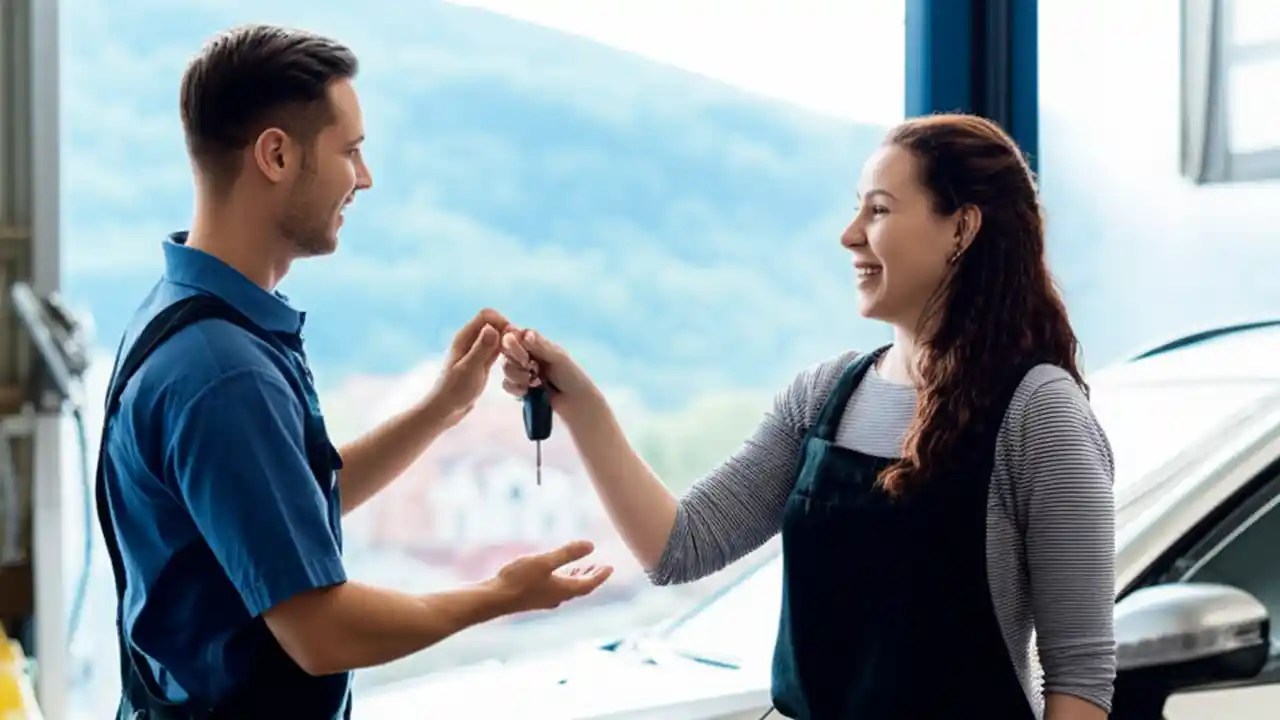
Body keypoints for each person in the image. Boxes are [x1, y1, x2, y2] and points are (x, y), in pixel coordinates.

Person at [499, 114, 1116, 720]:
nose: (849, 235)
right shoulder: (823, 397)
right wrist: (580, 406)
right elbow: (678, 548)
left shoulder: (1040, 414)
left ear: (961, 227)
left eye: (878, 210)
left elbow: (1081, 677)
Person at [96, 24, 611, 719]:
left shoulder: (186, 313)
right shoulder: (224, 374)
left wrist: (443, 407)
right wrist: (500, 596)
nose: (364, 178)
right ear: (277, 154)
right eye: (351, 151)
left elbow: (286, 509)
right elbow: (322, 632)